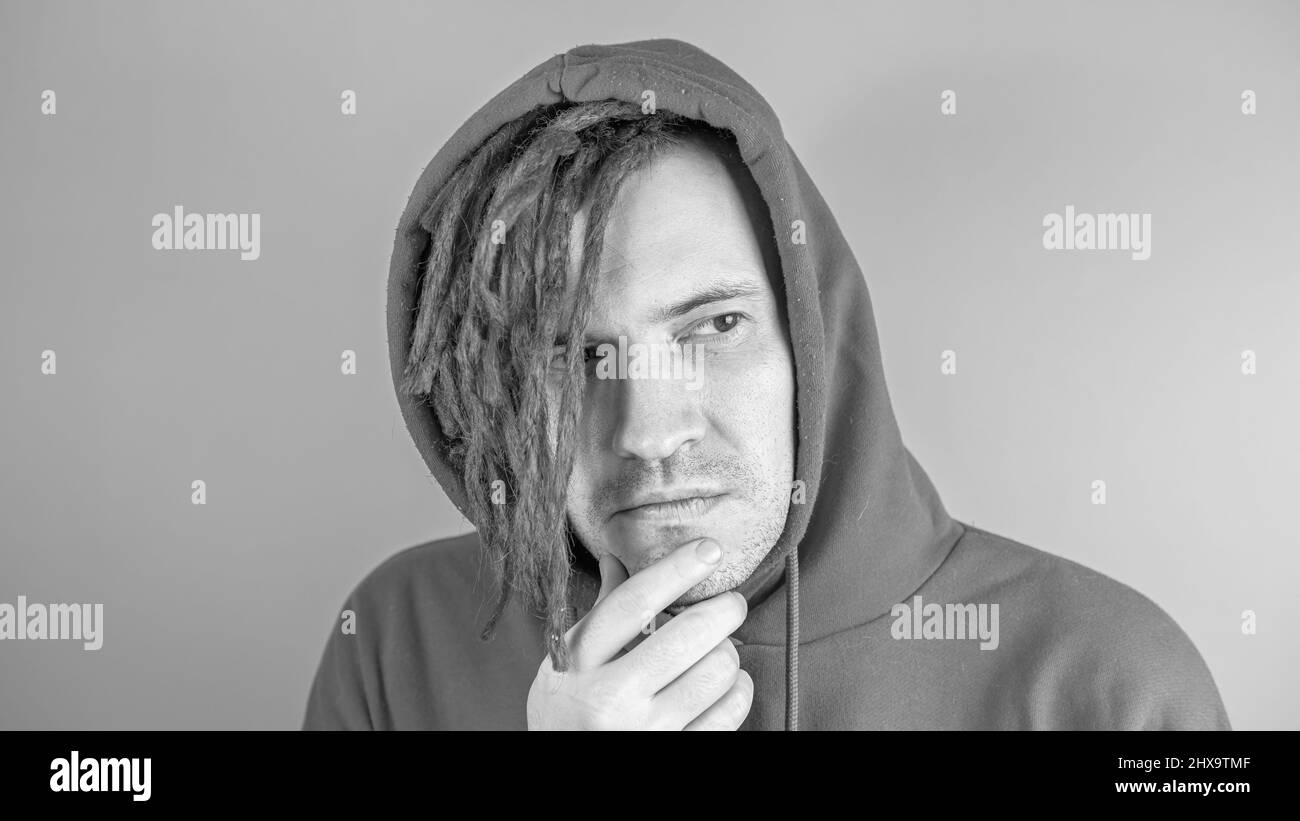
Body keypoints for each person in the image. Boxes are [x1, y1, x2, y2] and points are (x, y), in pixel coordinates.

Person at [303, 38, 1231, 731]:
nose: (649, 433)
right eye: (565, 357)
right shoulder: (395, 642)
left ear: (813, 334)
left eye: (713, 326)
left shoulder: (1115, 678)